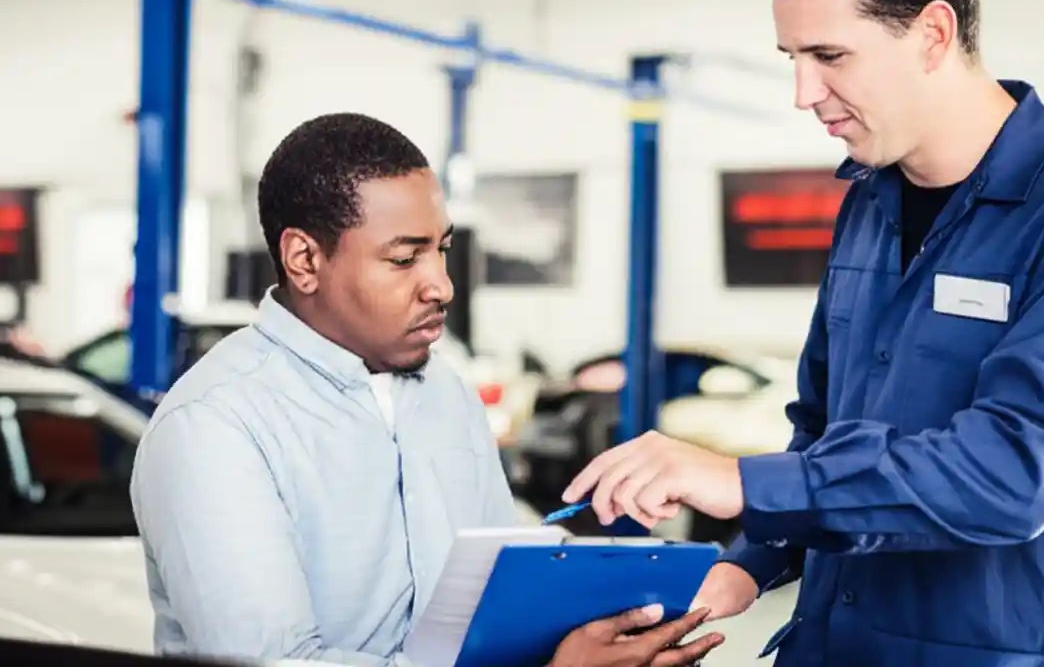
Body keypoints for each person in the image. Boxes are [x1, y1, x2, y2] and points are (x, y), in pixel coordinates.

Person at [560, 0, 1044, 666]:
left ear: (933, 35)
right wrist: (745, 564)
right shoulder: (868, 203)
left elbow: (1011, 475)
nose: (803, 91)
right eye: (792, 56)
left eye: (830, 55)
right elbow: (823, 434)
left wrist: (737, 481)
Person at [130, 113, 721, 667]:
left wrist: (609, 594)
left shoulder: (445, 393)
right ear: (305, 259)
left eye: (441, 250)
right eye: (404, 258)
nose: (441, 285)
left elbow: (507, 582)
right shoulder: (215, 426)